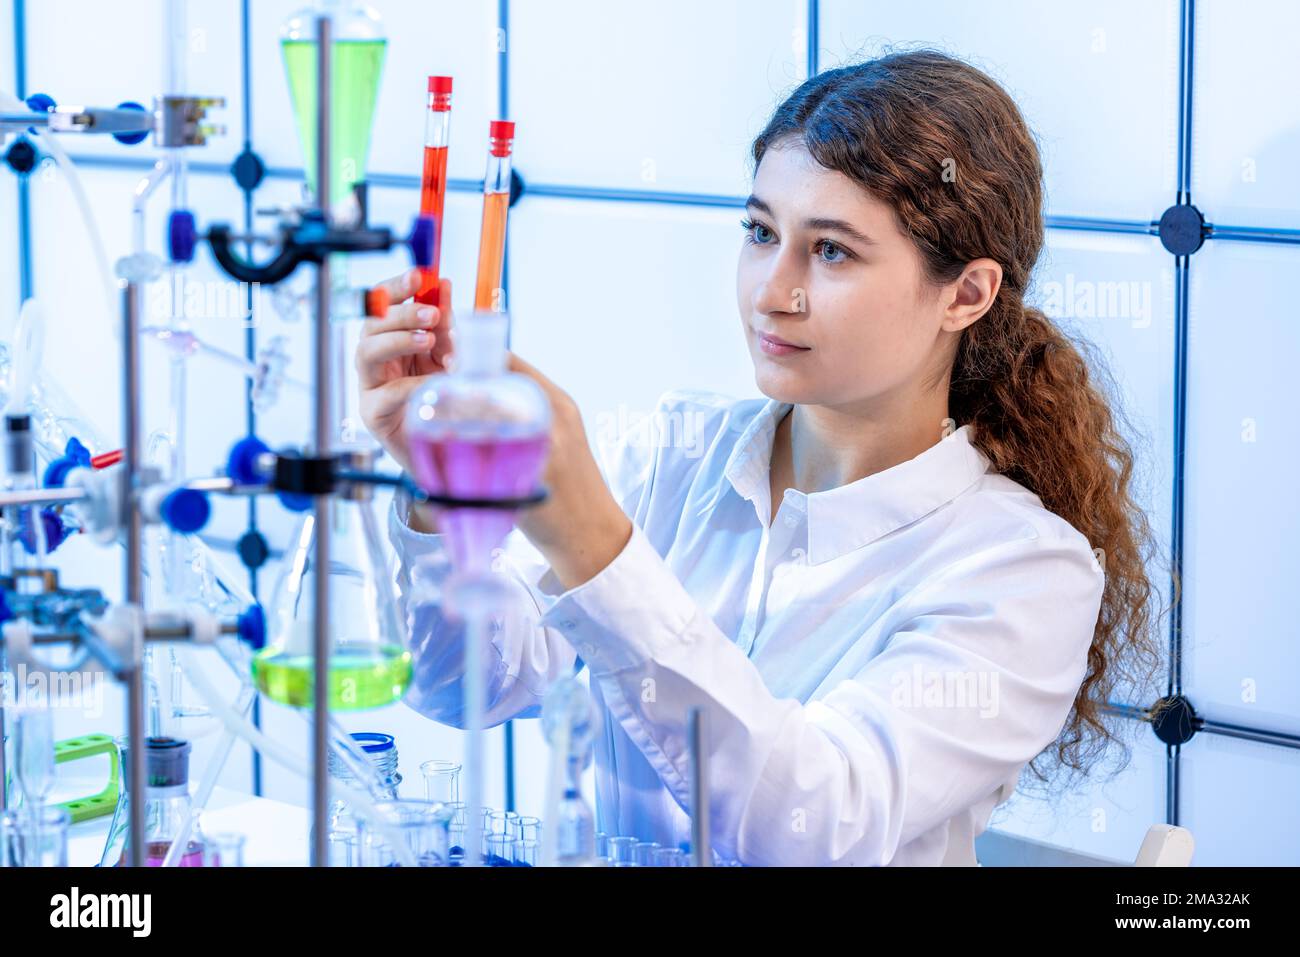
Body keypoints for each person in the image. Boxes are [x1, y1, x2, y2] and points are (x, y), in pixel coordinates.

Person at [356, 50, 1164, 866]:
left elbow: (811, 821)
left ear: (966, 293)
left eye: (833, 251)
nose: (774, 291)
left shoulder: (1023, 571)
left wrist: (594, 544)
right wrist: (434, 492)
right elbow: (468, 684)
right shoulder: (681, 453)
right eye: (760, 232)